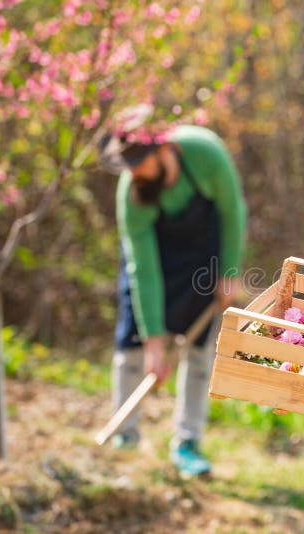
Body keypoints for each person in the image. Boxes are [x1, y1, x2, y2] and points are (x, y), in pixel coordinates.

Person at [103, 121, 247, 477]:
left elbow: (232, 212)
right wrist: (154, 339)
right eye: (129, 165)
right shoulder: (132, 194)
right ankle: (126, 433)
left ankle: (187, 442)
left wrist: (228, 272)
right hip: (154, 258)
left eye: (140, 162)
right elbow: (144, 270)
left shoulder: (205, 153)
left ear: (164, 149)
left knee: (199, 348)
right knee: (132, 341)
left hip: (202, 254)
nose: (135, 172)